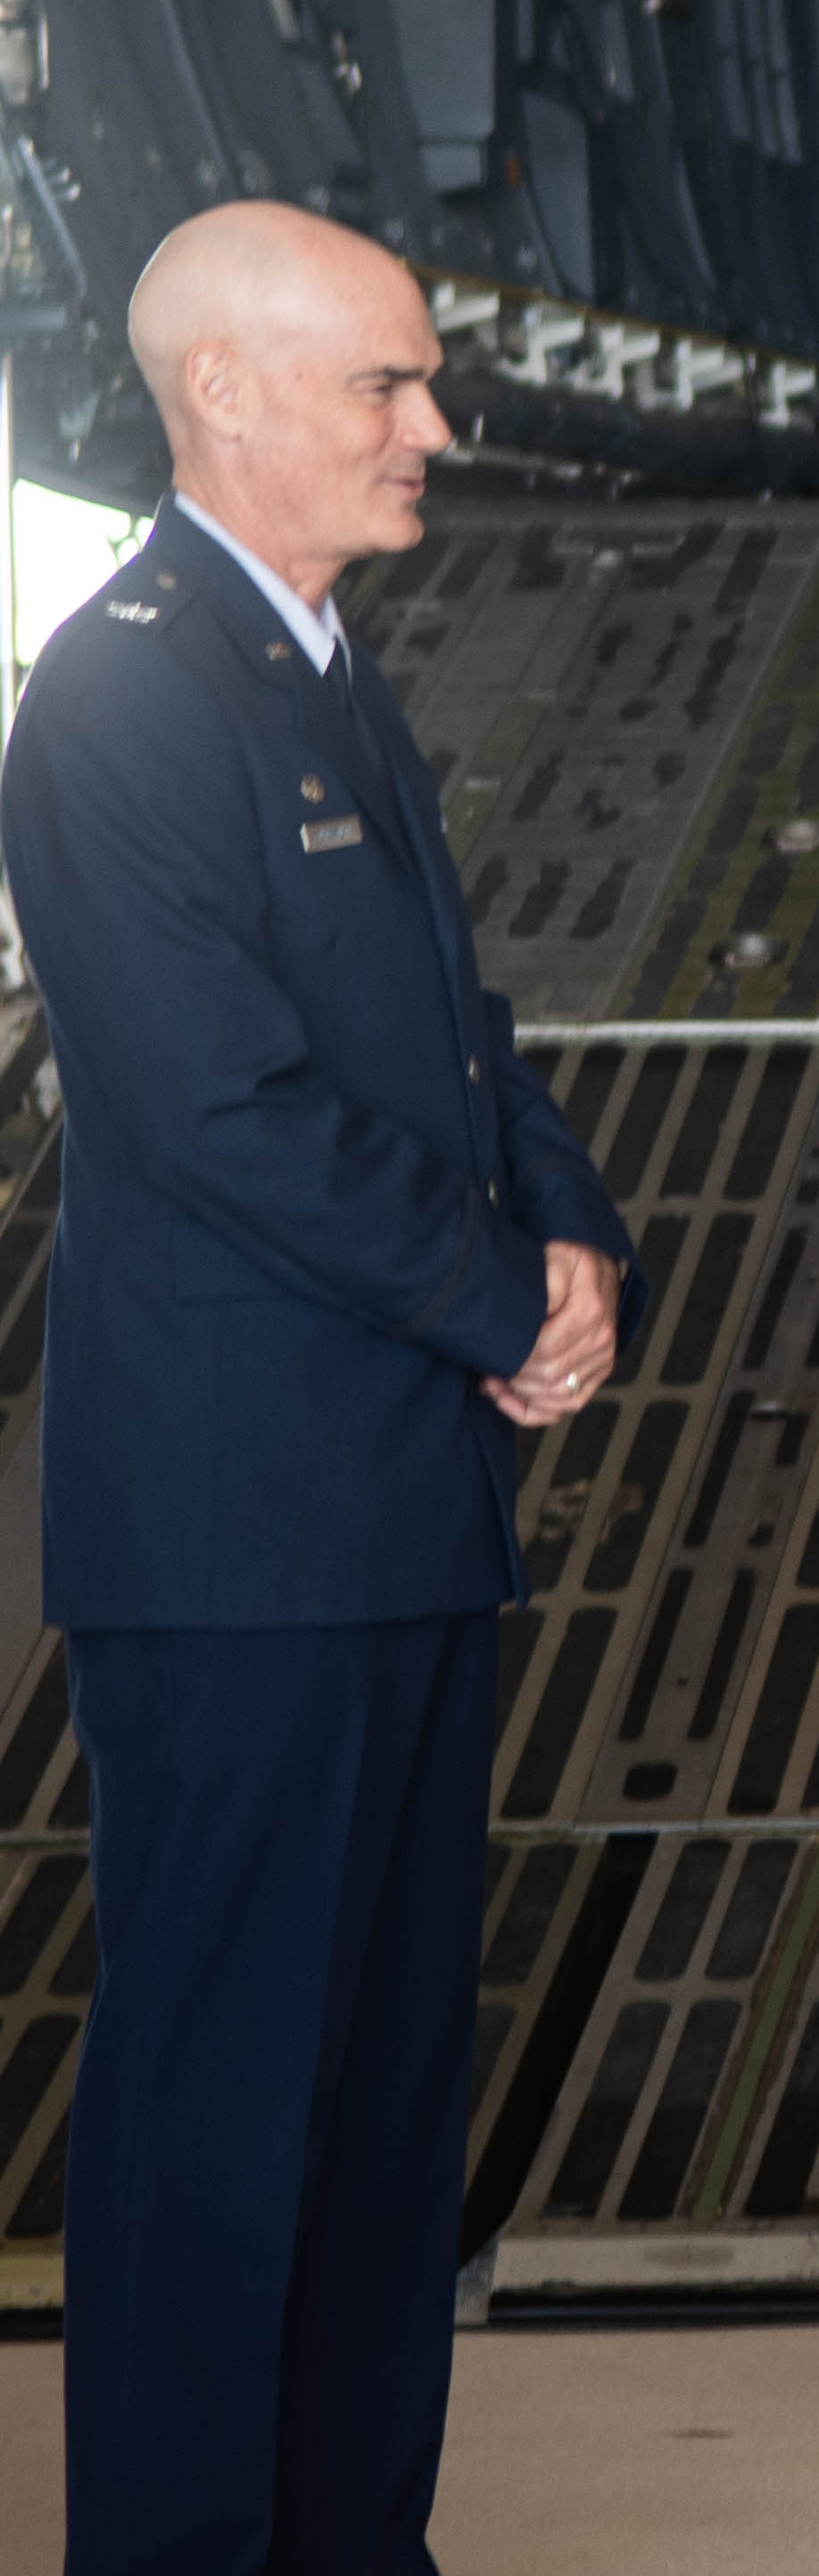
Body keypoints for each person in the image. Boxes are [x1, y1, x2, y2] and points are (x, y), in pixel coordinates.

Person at [4, 202, 640, 2572]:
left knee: (376, 2116)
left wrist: (574, 1241)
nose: (432, 427)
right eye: (384, 383)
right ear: (228, 393)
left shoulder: (316, 674)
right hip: (242, 1531)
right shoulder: (124, 702)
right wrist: (495, 1302)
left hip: (383, 1506)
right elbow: (218, 1110)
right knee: (222, 2111)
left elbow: (451, 1040)